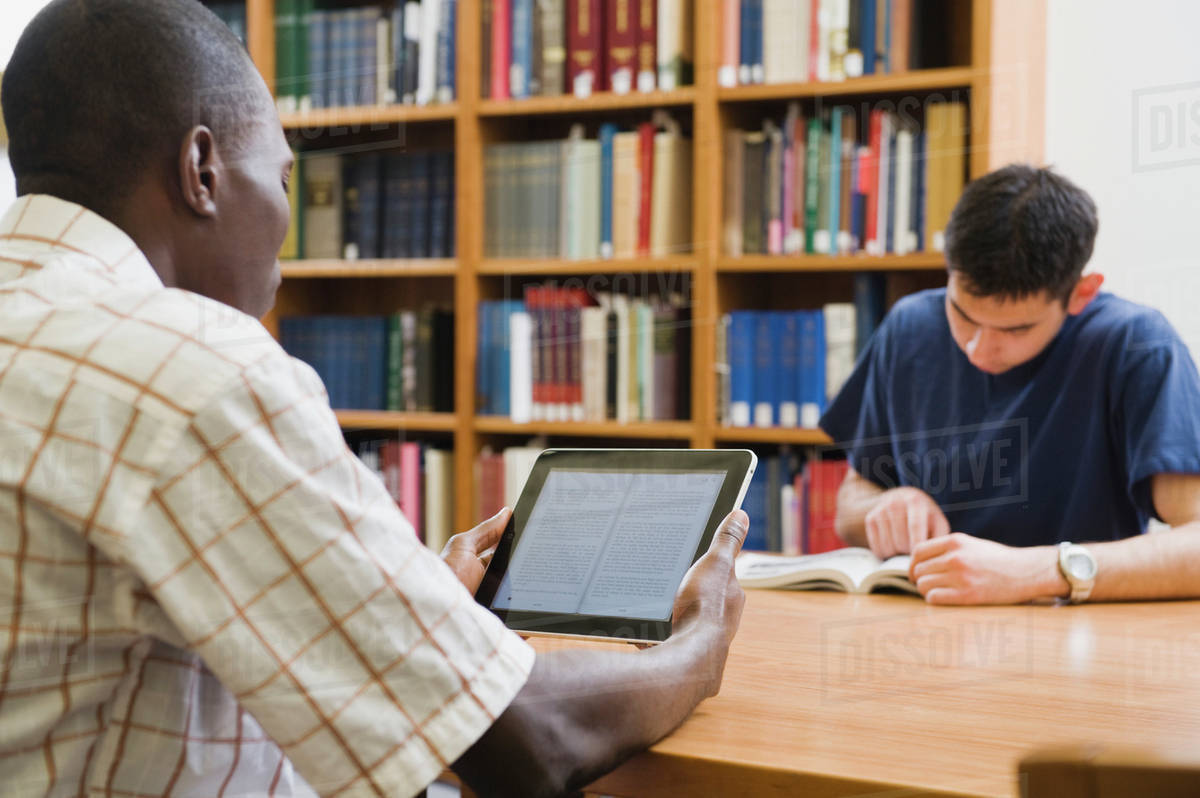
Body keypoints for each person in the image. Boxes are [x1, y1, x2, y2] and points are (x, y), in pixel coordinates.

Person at [0, 1, 748, 796]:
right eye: (283, 177)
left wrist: (397, 609)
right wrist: (700, 646)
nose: (287, 229)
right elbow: (526, 739)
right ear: (202, 171)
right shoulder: (195, 369)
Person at [820, 164, 1200, 606]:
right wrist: (883, 508)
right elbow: (852, 502)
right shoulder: (909, 326)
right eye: (963, 316)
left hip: (1076, 640)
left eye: (1016, 330)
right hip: (923, 627)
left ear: (1082, 294)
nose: (979, 349)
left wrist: (1039, 572)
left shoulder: (1137, 346)